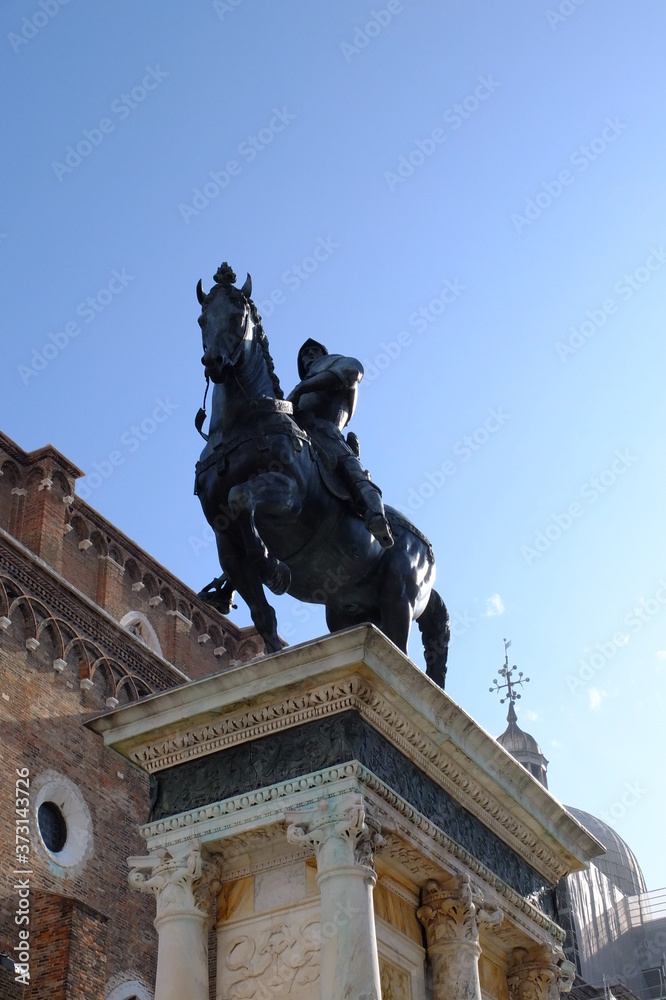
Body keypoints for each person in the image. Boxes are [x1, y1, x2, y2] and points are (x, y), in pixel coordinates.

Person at [287, 339, 394, 548]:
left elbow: (352, 371)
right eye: (304, 354)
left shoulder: (336, 364)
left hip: (327, 433)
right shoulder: (297, 390)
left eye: (313, 351)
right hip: (298, 436)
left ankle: (375, 514)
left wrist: (302, 388)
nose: (308, 355)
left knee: (345, 461)